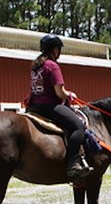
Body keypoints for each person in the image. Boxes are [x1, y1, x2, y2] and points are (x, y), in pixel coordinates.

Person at [26, 34, 93, 180]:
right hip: (49, 106)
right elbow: (59, 92)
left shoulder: (36, 65)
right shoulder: (52, 65)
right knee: (78, 126)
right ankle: (73, 163)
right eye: (58, 49)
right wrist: (70, 95)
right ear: (55, 49)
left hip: (34, 106)